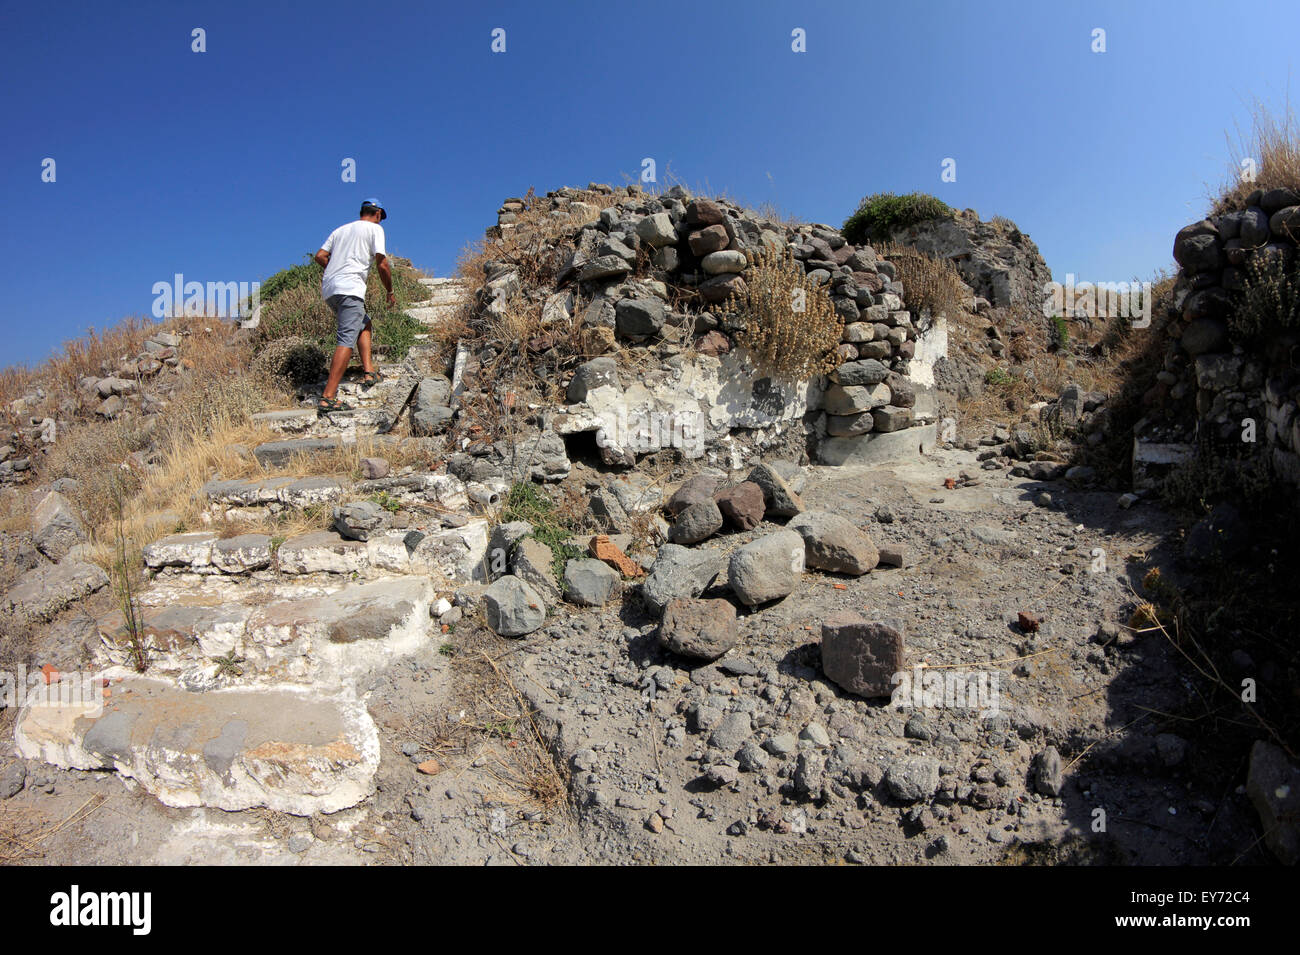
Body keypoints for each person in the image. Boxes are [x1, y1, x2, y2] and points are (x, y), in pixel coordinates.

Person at [313, 198, 396, 413]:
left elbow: (320, 256)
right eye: (380, 218)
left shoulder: (340, 230)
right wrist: (390, 290)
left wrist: (337, 269)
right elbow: (382, 263)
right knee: (346, 339)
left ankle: (369, 371)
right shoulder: (374, 229)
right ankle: (328, 397)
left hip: (330, 290)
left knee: (364, 323)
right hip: (350, 289)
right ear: (377, 214)